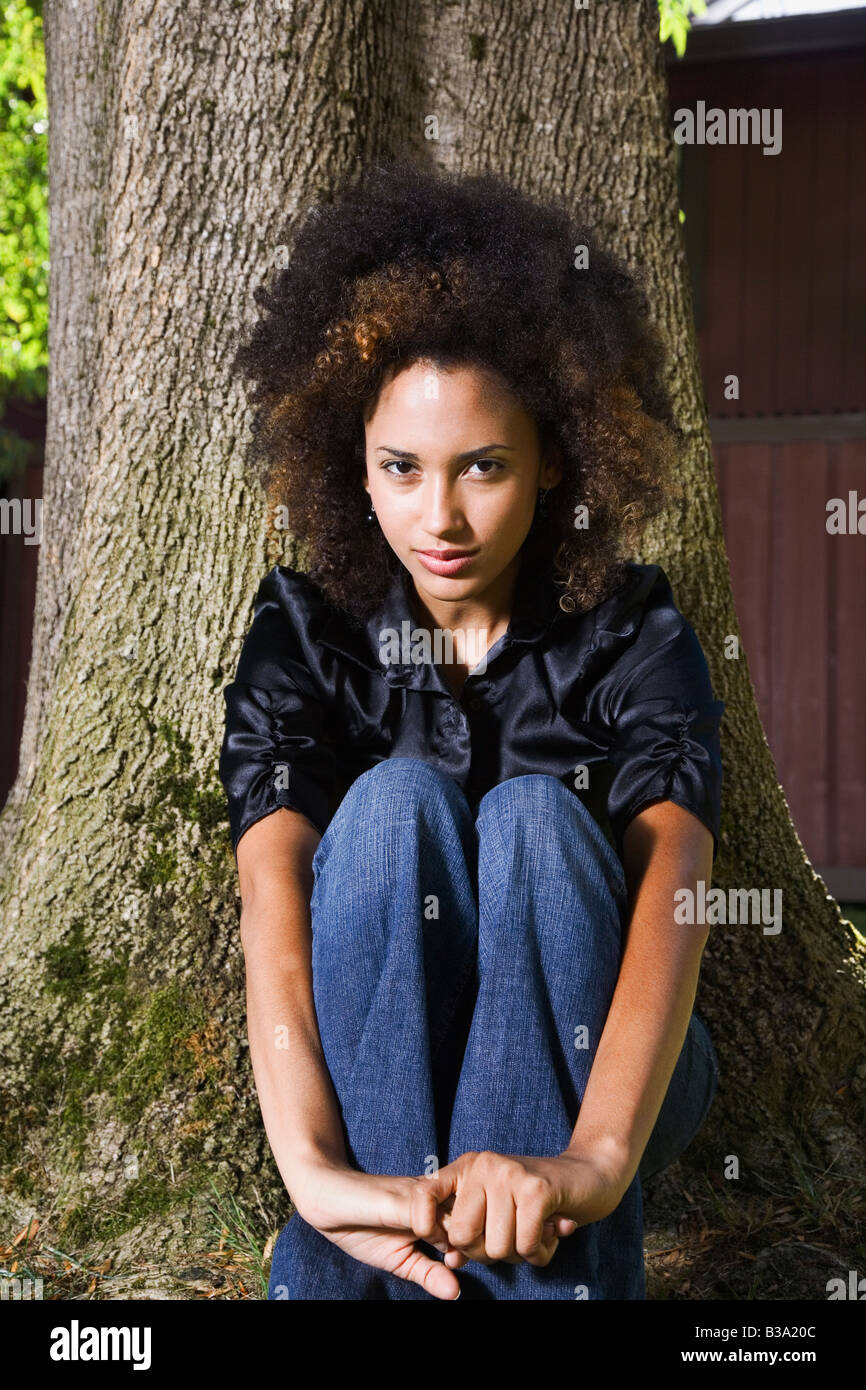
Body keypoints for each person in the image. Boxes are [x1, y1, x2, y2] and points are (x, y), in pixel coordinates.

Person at [219, 159, 724, 1301]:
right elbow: (272, 897)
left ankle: (541, 1277)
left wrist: (589, 1162)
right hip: (374, 1064)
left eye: (483, 467)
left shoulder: (630, 630)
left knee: (537, 819)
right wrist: (311, 1174)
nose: (437, 517)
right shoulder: (304, 633)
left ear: (552, 458)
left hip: (606, 1071)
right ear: (354, 464)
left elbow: (677, 881)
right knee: (393, 804)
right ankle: (364, 1257)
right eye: (400, 468)